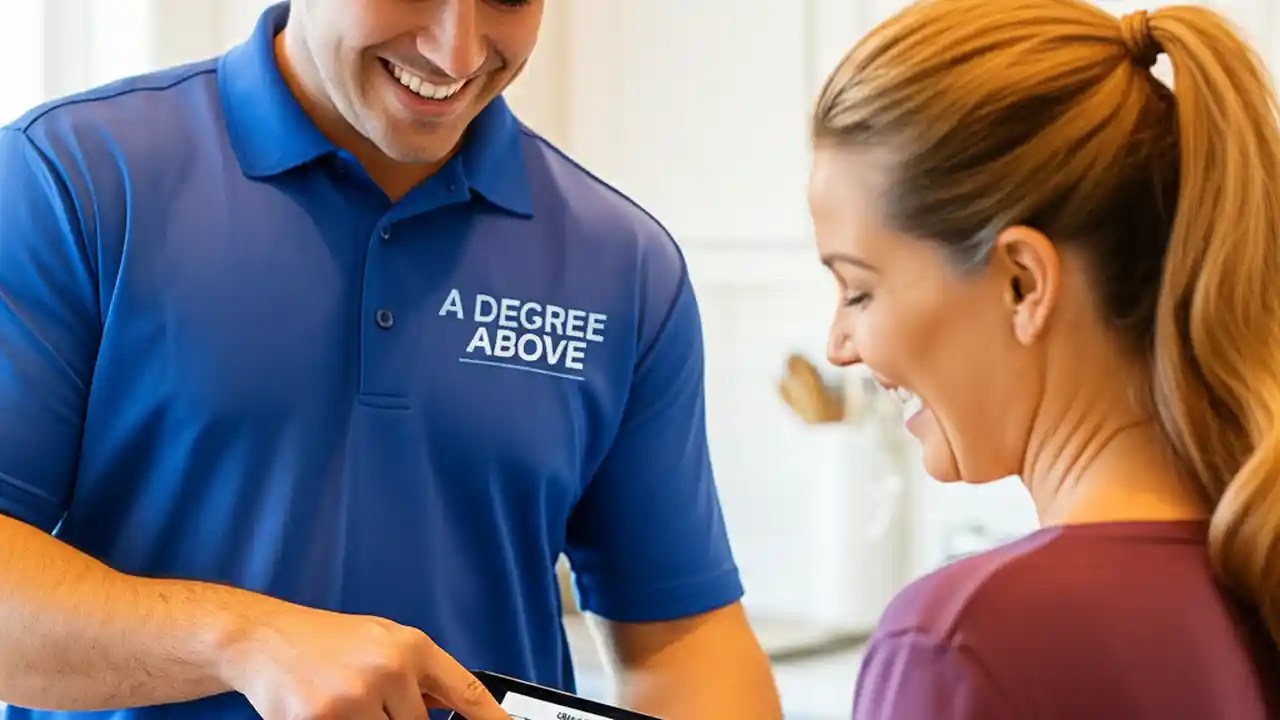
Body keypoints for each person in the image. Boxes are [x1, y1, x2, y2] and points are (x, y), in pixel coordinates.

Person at [0, 1, 782, 719]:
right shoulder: (70, 181)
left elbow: (685, 643)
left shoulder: (620, 263)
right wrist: (243, 642)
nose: (455, 52)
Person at [805, 0, 1280, 717]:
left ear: (1022, 283)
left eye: (860, 290)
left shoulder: (960, 642)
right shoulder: (1254, 589)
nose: (838, 345)